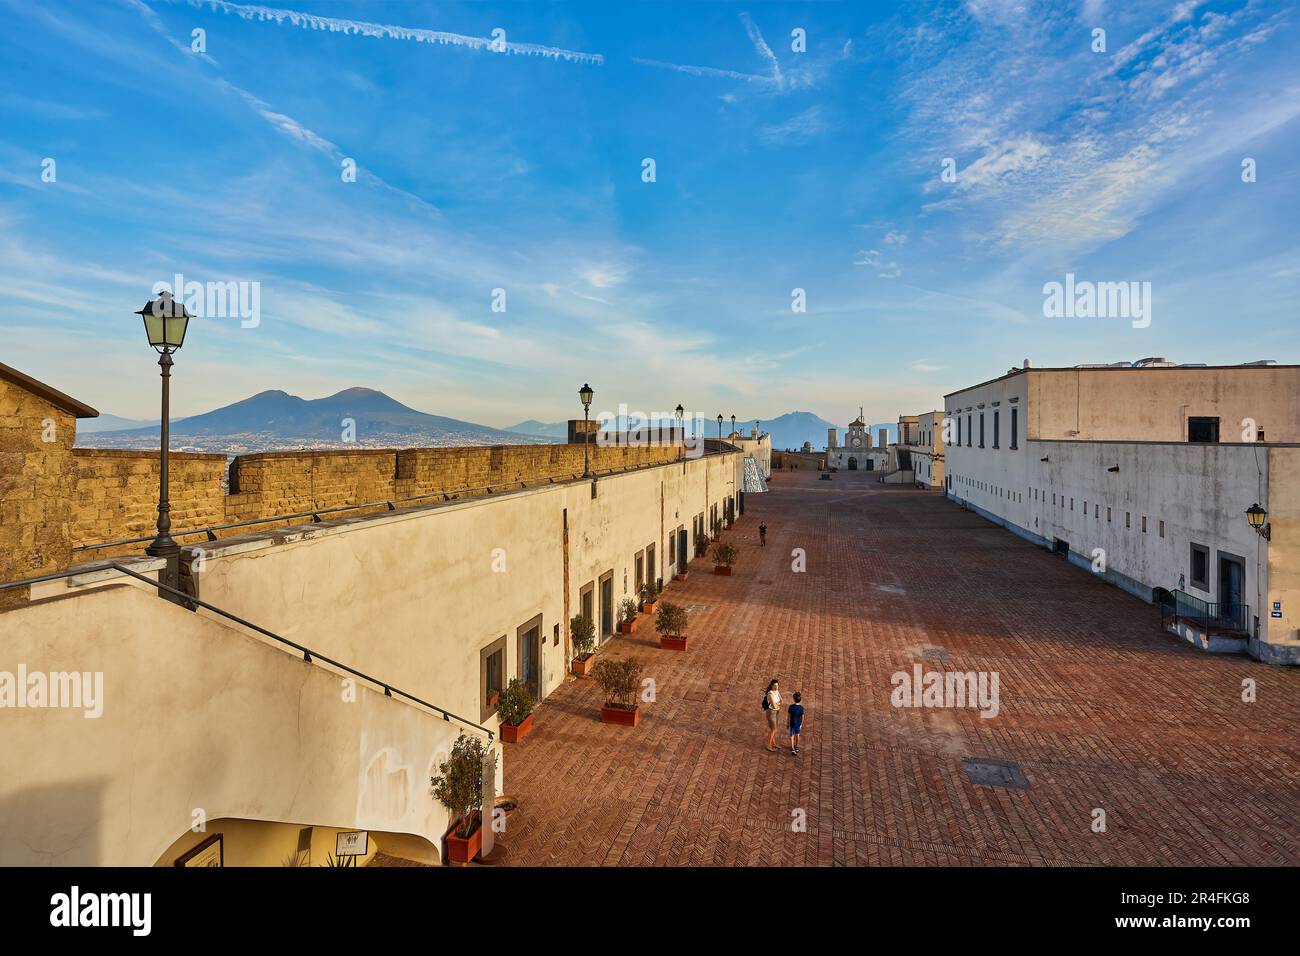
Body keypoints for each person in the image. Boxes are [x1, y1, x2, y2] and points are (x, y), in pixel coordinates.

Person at [763, 678, 781, 752]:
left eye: (777, 685)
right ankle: (768, 745)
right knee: (773, 729)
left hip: (776, 712)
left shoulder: (776, 691)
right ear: (771, 685)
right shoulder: (770, 694)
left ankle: (773, 743)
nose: (776, 687)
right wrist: (777, 704)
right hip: (771, 713)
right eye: (774, 685)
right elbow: (774, 706)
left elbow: (781, 701)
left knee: (774, 729)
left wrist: (777, 704)